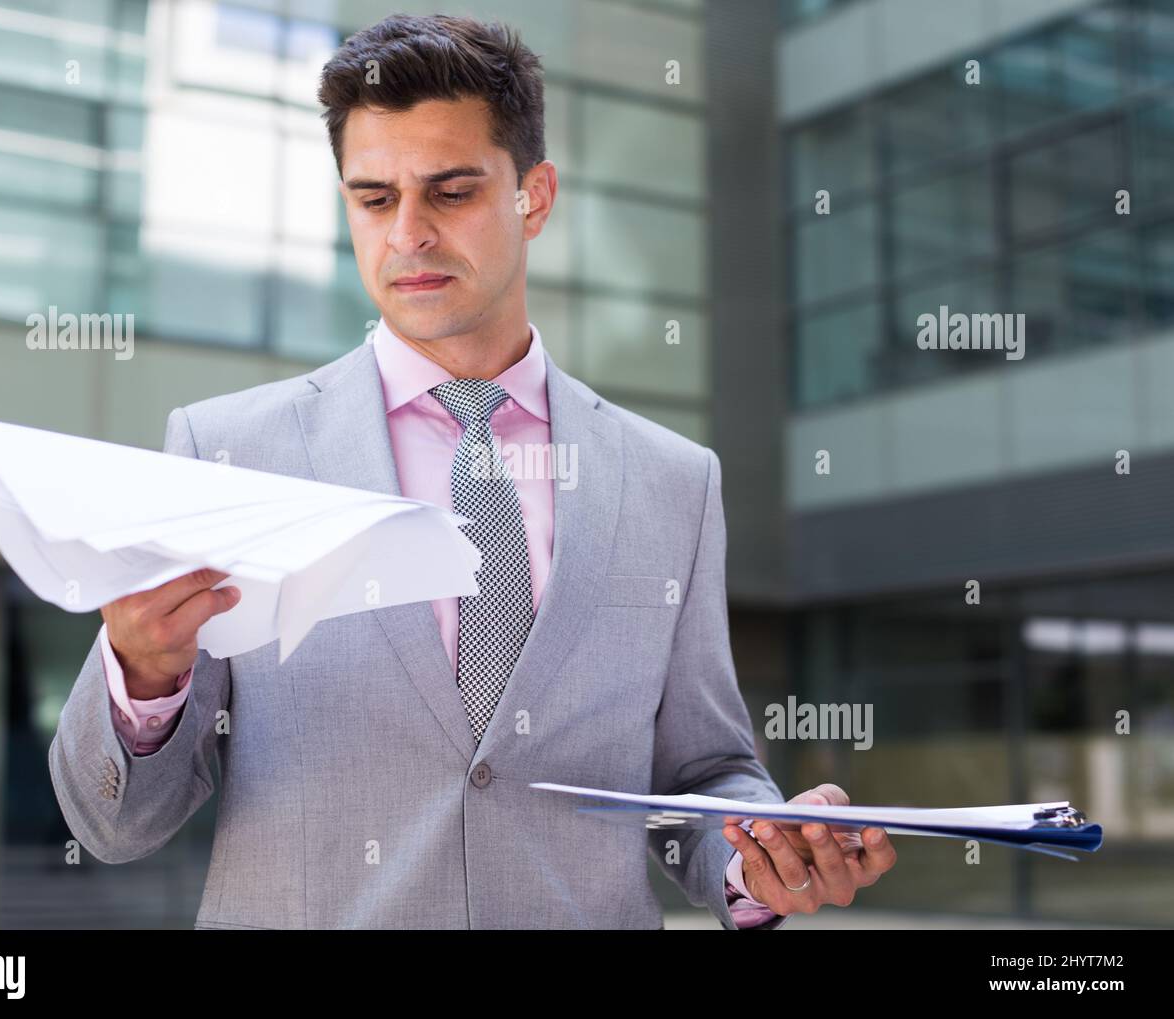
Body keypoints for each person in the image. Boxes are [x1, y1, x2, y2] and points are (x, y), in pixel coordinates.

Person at [48, 12, 895, 930]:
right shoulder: (230, 456)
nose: (407, 233)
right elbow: (117, 824)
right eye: (374, 199)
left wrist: (757, 855)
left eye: (450, 192)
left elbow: (698, 777)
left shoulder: (671, 483)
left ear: (534, 195)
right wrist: (142, 671)